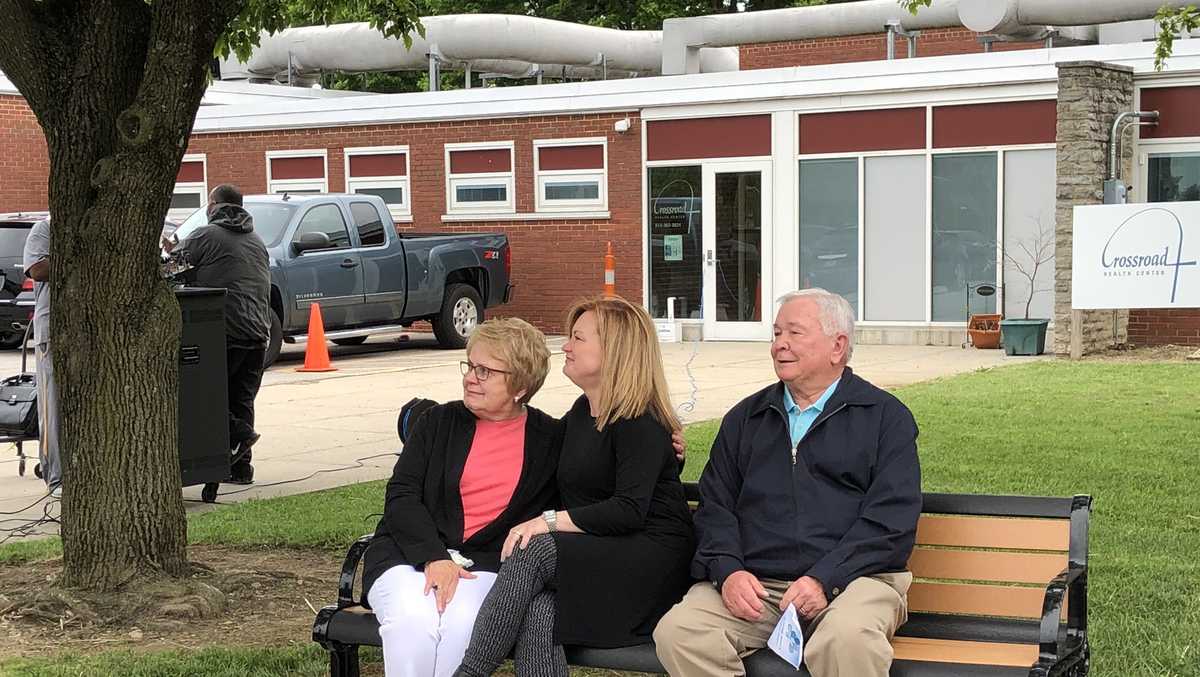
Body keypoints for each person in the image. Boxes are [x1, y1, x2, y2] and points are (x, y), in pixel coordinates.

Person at [653, 288, 922, 677]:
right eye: (776, 334)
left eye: (794, 333)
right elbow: (716, 505)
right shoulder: (747, 418)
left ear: (837, 346)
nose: (780, 345)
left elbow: (890, 523)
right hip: (758, 585)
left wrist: (823, 579)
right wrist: (728, 571)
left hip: (854, 581)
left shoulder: (885, 418)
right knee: (681, 633)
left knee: (846, 640)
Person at [454, 296, 695, 677]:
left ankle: (469, 672)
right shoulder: (584, 411)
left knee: (537, 548)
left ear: (615, 350)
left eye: (578, 339)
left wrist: (548, 521)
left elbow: (630, 510)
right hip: (600, 552)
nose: (565, 345)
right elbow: (543, 444)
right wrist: (425, 417)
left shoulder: (639, 422)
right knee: (540, 609)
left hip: (648, 562)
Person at [362, 317, 561, 677]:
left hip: (486, 567)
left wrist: (671, 450)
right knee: (413, 620)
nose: (470, 377)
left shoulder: (550, 439)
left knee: (463, 626)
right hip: (407, 556)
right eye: (470, 365)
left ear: (519, 385)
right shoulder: (437, 422)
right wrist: (434, 558)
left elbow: (606, 469)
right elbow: (402, 495)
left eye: (485, 371)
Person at [166, 184, 271, 484]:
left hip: (221, 331)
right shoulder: (256, 239)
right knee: (241, 400)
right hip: (257, 333)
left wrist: (168, 252)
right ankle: (241, 469)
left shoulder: (205, 234)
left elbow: (173, 268)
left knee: (207, 399)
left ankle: (240, 436)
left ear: (214, 205)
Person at [22, 217, 59, 499]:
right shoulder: (44, 229)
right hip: (54, 332)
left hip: (90, 332)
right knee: (53, 406)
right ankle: (56, 477)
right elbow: (37, 270)